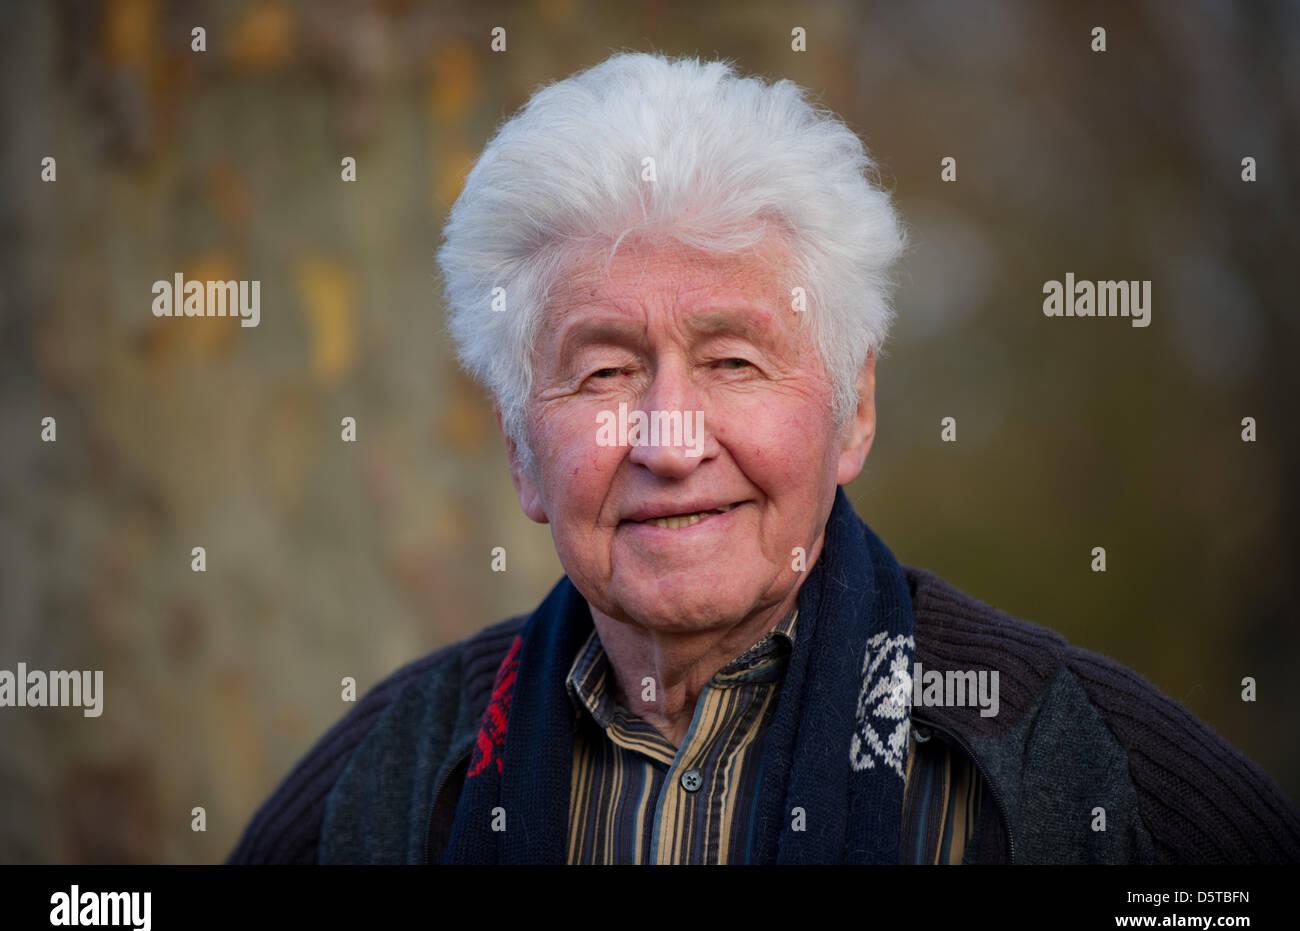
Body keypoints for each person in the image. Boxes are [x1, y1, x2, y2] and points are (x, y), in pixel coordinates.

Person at [229, 52, 1300, 865]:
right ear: (519, 449)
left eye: (734, 361)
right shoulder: (397, 778)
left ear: (852, 411)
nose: (671, 440)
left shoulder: (1076, 772)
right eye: (602, 373)